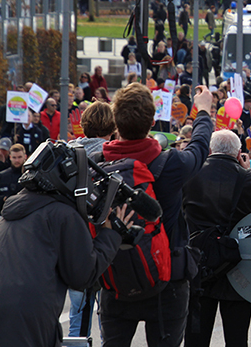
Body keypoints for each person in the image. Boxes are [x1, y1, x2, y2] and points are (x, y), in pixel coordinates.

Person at [98, 83, 213, 347]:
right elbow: (199, 147)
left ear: (116, 122)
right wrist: (203, 111)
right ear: (152, 122)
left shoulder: (98, 164)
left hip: (115, 273)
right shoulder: (171, 163)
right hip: (167, 278)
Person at [0, 151, 131, 347]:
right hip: (27, 315)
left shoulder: (13, 210)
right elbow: (83, 275)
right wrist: (110, 234)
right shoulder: (63, 214)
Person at [183, 130, 251, 347]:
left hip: (197, 265)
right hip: (237, 267)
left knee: (195, 338)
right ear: (238, 153)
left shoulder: (190, 174)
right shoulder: (247, 178)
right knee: (237, 339)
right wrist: (250, 172)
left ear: (209, 150)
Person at [67, 101, 117, 338]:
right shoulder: (111, 153)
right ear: (112, 125)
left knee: (78, 313)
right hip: (102, 237)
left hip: (71, 239)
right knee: (109, 316)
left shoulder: (67, 152)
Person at [0, 143, 26, 214]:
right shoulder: (1, 176)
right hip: (5, 215)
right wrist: (4, 199)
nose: (17, 160)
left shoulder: (30, 176)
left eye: (19, 157)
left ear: (25, 157)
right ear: (10, 157)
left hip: (26, 215)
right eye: (14, 157)